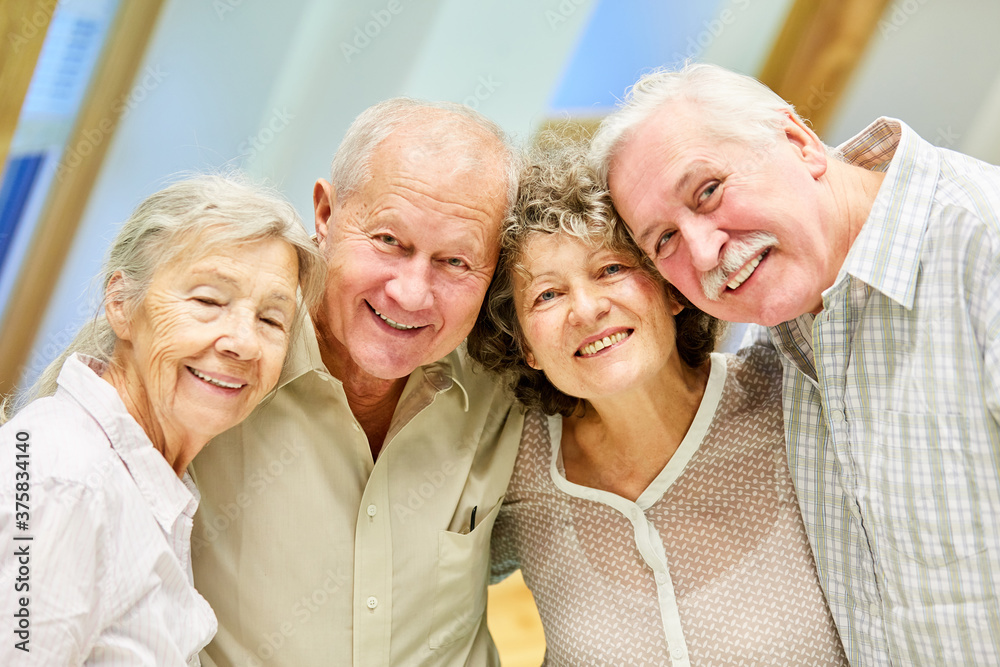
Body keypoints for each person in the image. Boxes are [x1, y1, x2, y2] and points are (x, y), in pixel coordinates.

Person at [590, 62, 1000, 666]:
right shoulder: (782, 336)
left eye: (707, 191)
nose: (705, 252)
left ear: (800, 144)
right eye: (664, 241)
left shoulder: (983, 249)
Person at [467, 143, 848, 666]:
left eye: (610, 270)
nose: (587, 308)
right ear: (526, 346)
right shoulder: (513, 464)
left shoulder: (787, 397)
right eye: (547, 296)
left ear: (673, 288)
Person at [189, 99, 524, 667]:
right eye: (390, 241)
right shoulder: (209, 357)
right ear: (325, 215)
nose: (411, 294)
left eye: (456, 263)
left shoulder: (511, 386)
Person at [0, 174, 324, 665]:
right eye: (208, 301)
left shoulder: (156, 479)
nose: (242, 341)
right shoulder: (69, 482)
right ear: (121, 304)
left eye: (271, 320)